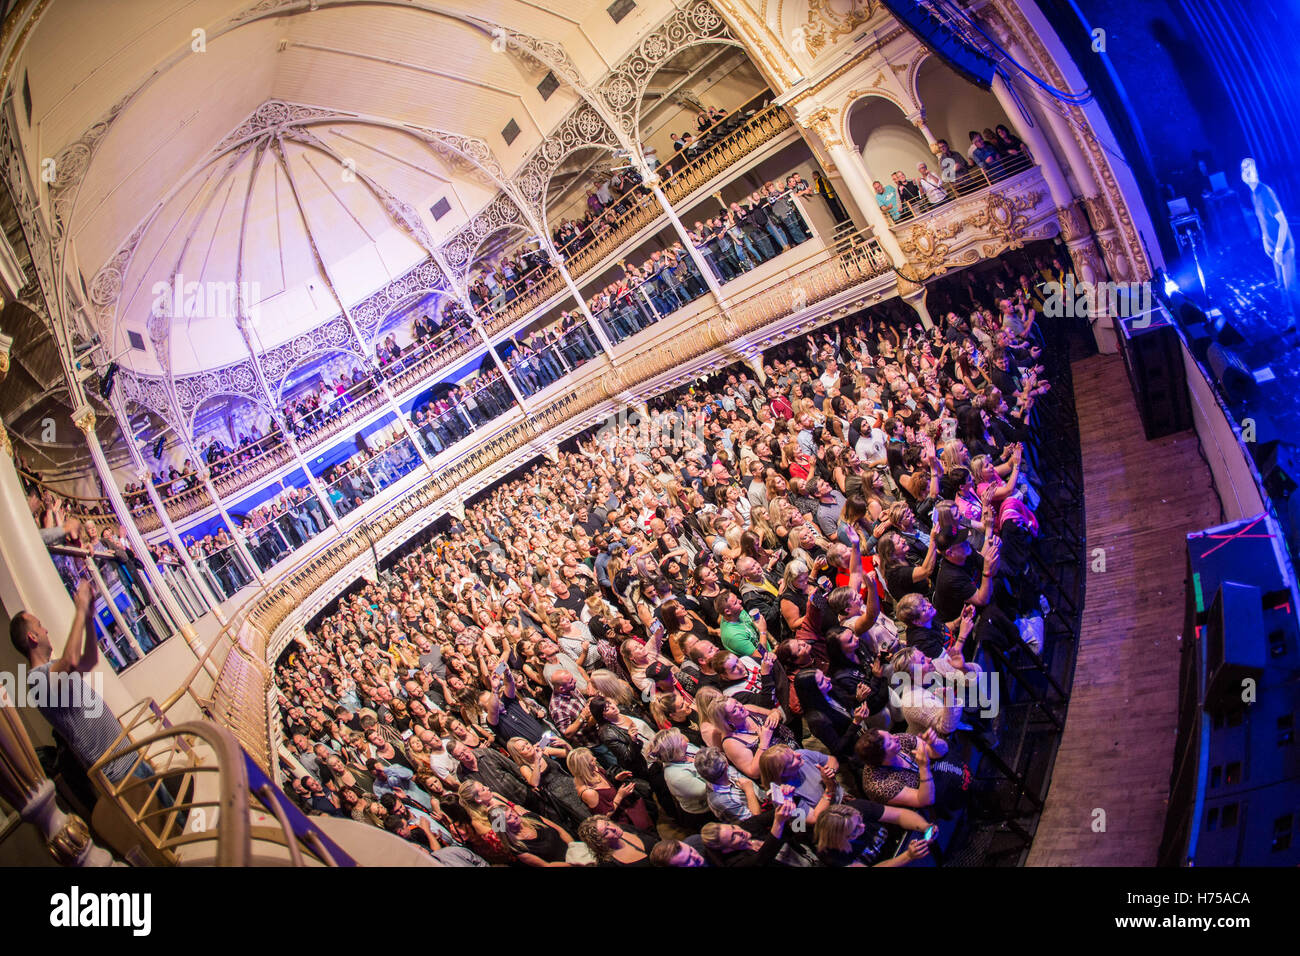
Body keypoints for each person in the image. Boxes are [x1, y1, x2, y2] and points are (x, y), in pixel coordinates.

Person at [9, 582, 140, 785]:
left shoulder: (52, 667)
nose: (46, 630)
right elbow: (70, 660)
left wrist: (87, 616)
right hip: (117, 771)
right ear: (32, 637)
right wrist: (80, 609)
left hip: (128, 754)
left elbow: (86, 659)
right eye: (40, 627)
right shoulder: (37, 680)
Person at [1241, 157, 1297, 326]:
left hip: (1284, 246)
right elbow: (1262, 220)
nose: (1247, 173)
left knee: (1291, 288)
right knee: (1281, 286)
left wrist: (1279, 249)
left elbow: (1283, 223)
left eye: (1251, 169)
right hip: (1273, 247)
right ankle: (1292, 319)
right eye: (1244, 170)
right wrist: (1265, 240)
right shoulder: (1253, 194)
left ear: (1256, 172)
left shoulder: (1265, 193)